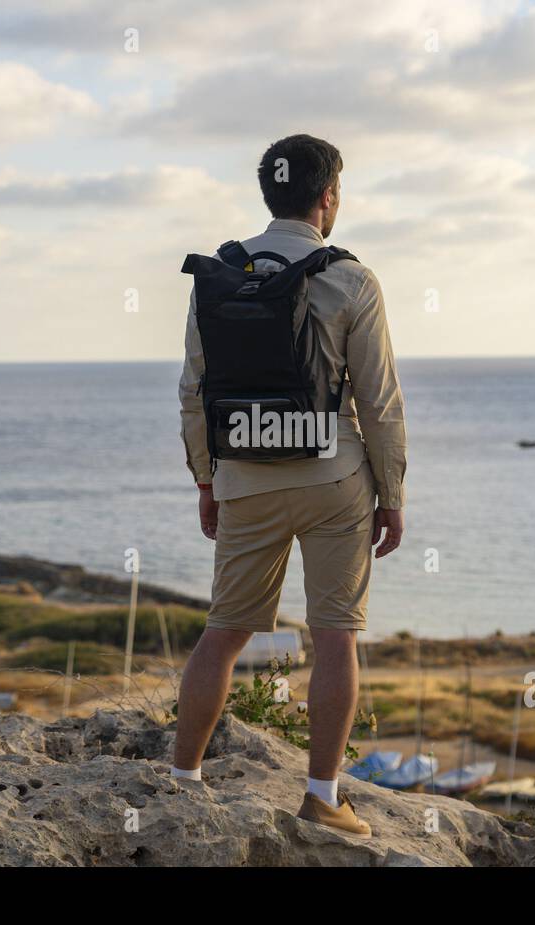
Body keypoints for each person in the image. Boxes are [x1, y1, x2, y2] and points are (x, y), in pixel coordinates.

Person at [172, 133, 407, 837]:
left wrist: (208, 481)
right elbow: (380, 401)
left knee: (224, 633)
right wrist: (391, 493)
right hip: (333, 476)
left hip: (244, 474)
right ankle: (321, 797)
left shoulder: (221, 272)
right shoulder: (352, 278)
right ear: (328, 196)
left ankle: (182, 782)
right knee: (336, 637)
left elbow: (194, 391)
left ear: (268, 193)